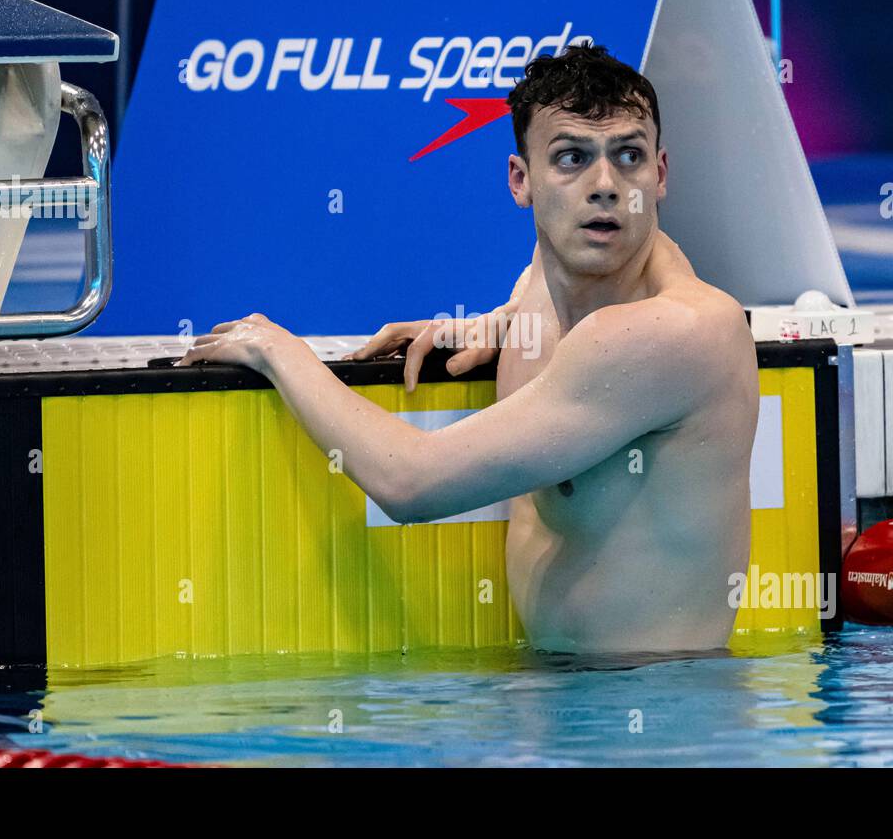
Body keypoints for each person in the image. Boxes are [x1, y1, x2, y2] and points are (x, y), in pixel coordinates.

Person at [179, 45, 758, 653]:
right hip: (558, 708)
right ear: (521, 180)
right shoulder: (545, 278)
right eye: (572, 159)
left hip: (659, 713)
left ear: (660, 175)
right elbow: (551, 312)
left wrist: (278, 350)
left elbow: (411, 484)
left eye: (629, 157)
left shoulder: (677, 329)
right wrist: (499, 323)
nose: (606, 187)